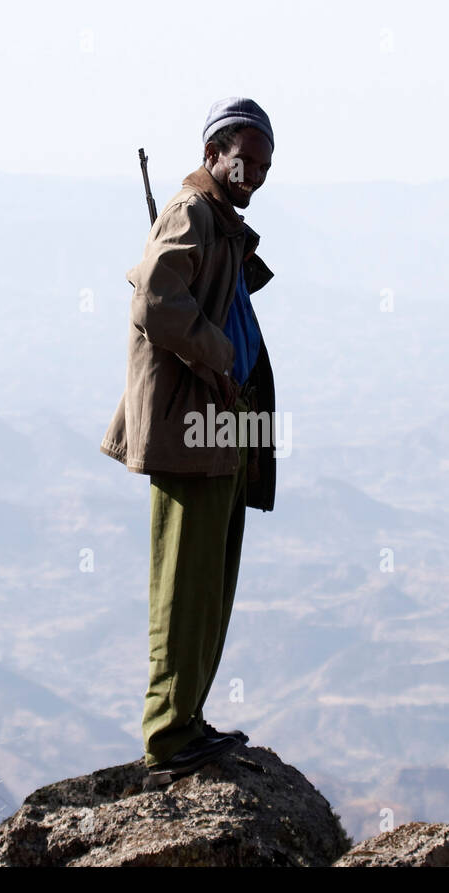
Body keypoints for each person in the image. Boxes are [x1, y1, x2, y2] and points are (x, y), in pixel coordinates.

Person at [100, 96, 278, 788]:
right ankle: (169, 733)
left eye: (264, 165)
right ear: (212, 155)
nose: (255, 174)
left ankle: (189, 719)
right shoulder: (190, 213)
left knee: (211, 583)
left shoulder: (220, 221)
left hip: (225, 427)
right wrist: (219, 354)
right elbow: (152, 302)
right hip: (191, 427)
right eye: (244, 159)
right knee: (184, 584)